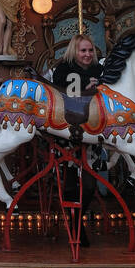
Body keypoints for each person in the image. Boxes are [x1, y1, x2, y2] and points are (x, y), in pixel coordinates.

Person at [51, 33, 105, 247]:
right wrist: (88, 88)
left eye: (90, 50)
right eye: (83, 50)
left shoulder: (99, 70)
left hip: (93, 129)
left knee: (90, 185)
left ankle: (77, 221)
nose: (87, 54)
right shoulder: (64, 69)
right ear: (75, 51)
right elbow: (66, 97)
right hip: (70, 131)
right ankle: (75, 225)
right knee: (72, 181)